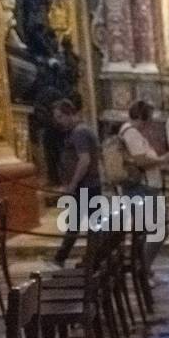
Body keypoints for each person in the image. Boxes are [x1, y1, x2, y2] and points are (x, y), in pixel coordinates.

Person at [118, 99, 169, 275]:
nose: (151, 121)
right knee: (159, 232)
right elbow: (141, 160)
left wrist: (160, 167)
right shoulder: (132, 133)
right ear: (144, 116)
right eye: (150, 117)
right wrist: (163, 159)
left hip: (144, 188)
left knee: (145, 233)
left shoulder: (131, 132)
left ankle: (144, 270)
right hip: (142, 189)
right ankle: (142, 270)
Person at [50, 99, 101, 268]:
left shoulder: (79, 132)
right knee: (86, 223)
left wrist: (72, 184)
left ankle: (64, 258)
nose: (58, 120)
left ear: (69, 114)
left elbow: (84, 160)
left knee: (78, 222)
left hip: (85, 185)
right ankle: (91, 258)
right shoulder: (82, 130)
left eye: (60, 116)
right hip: (88, 184)